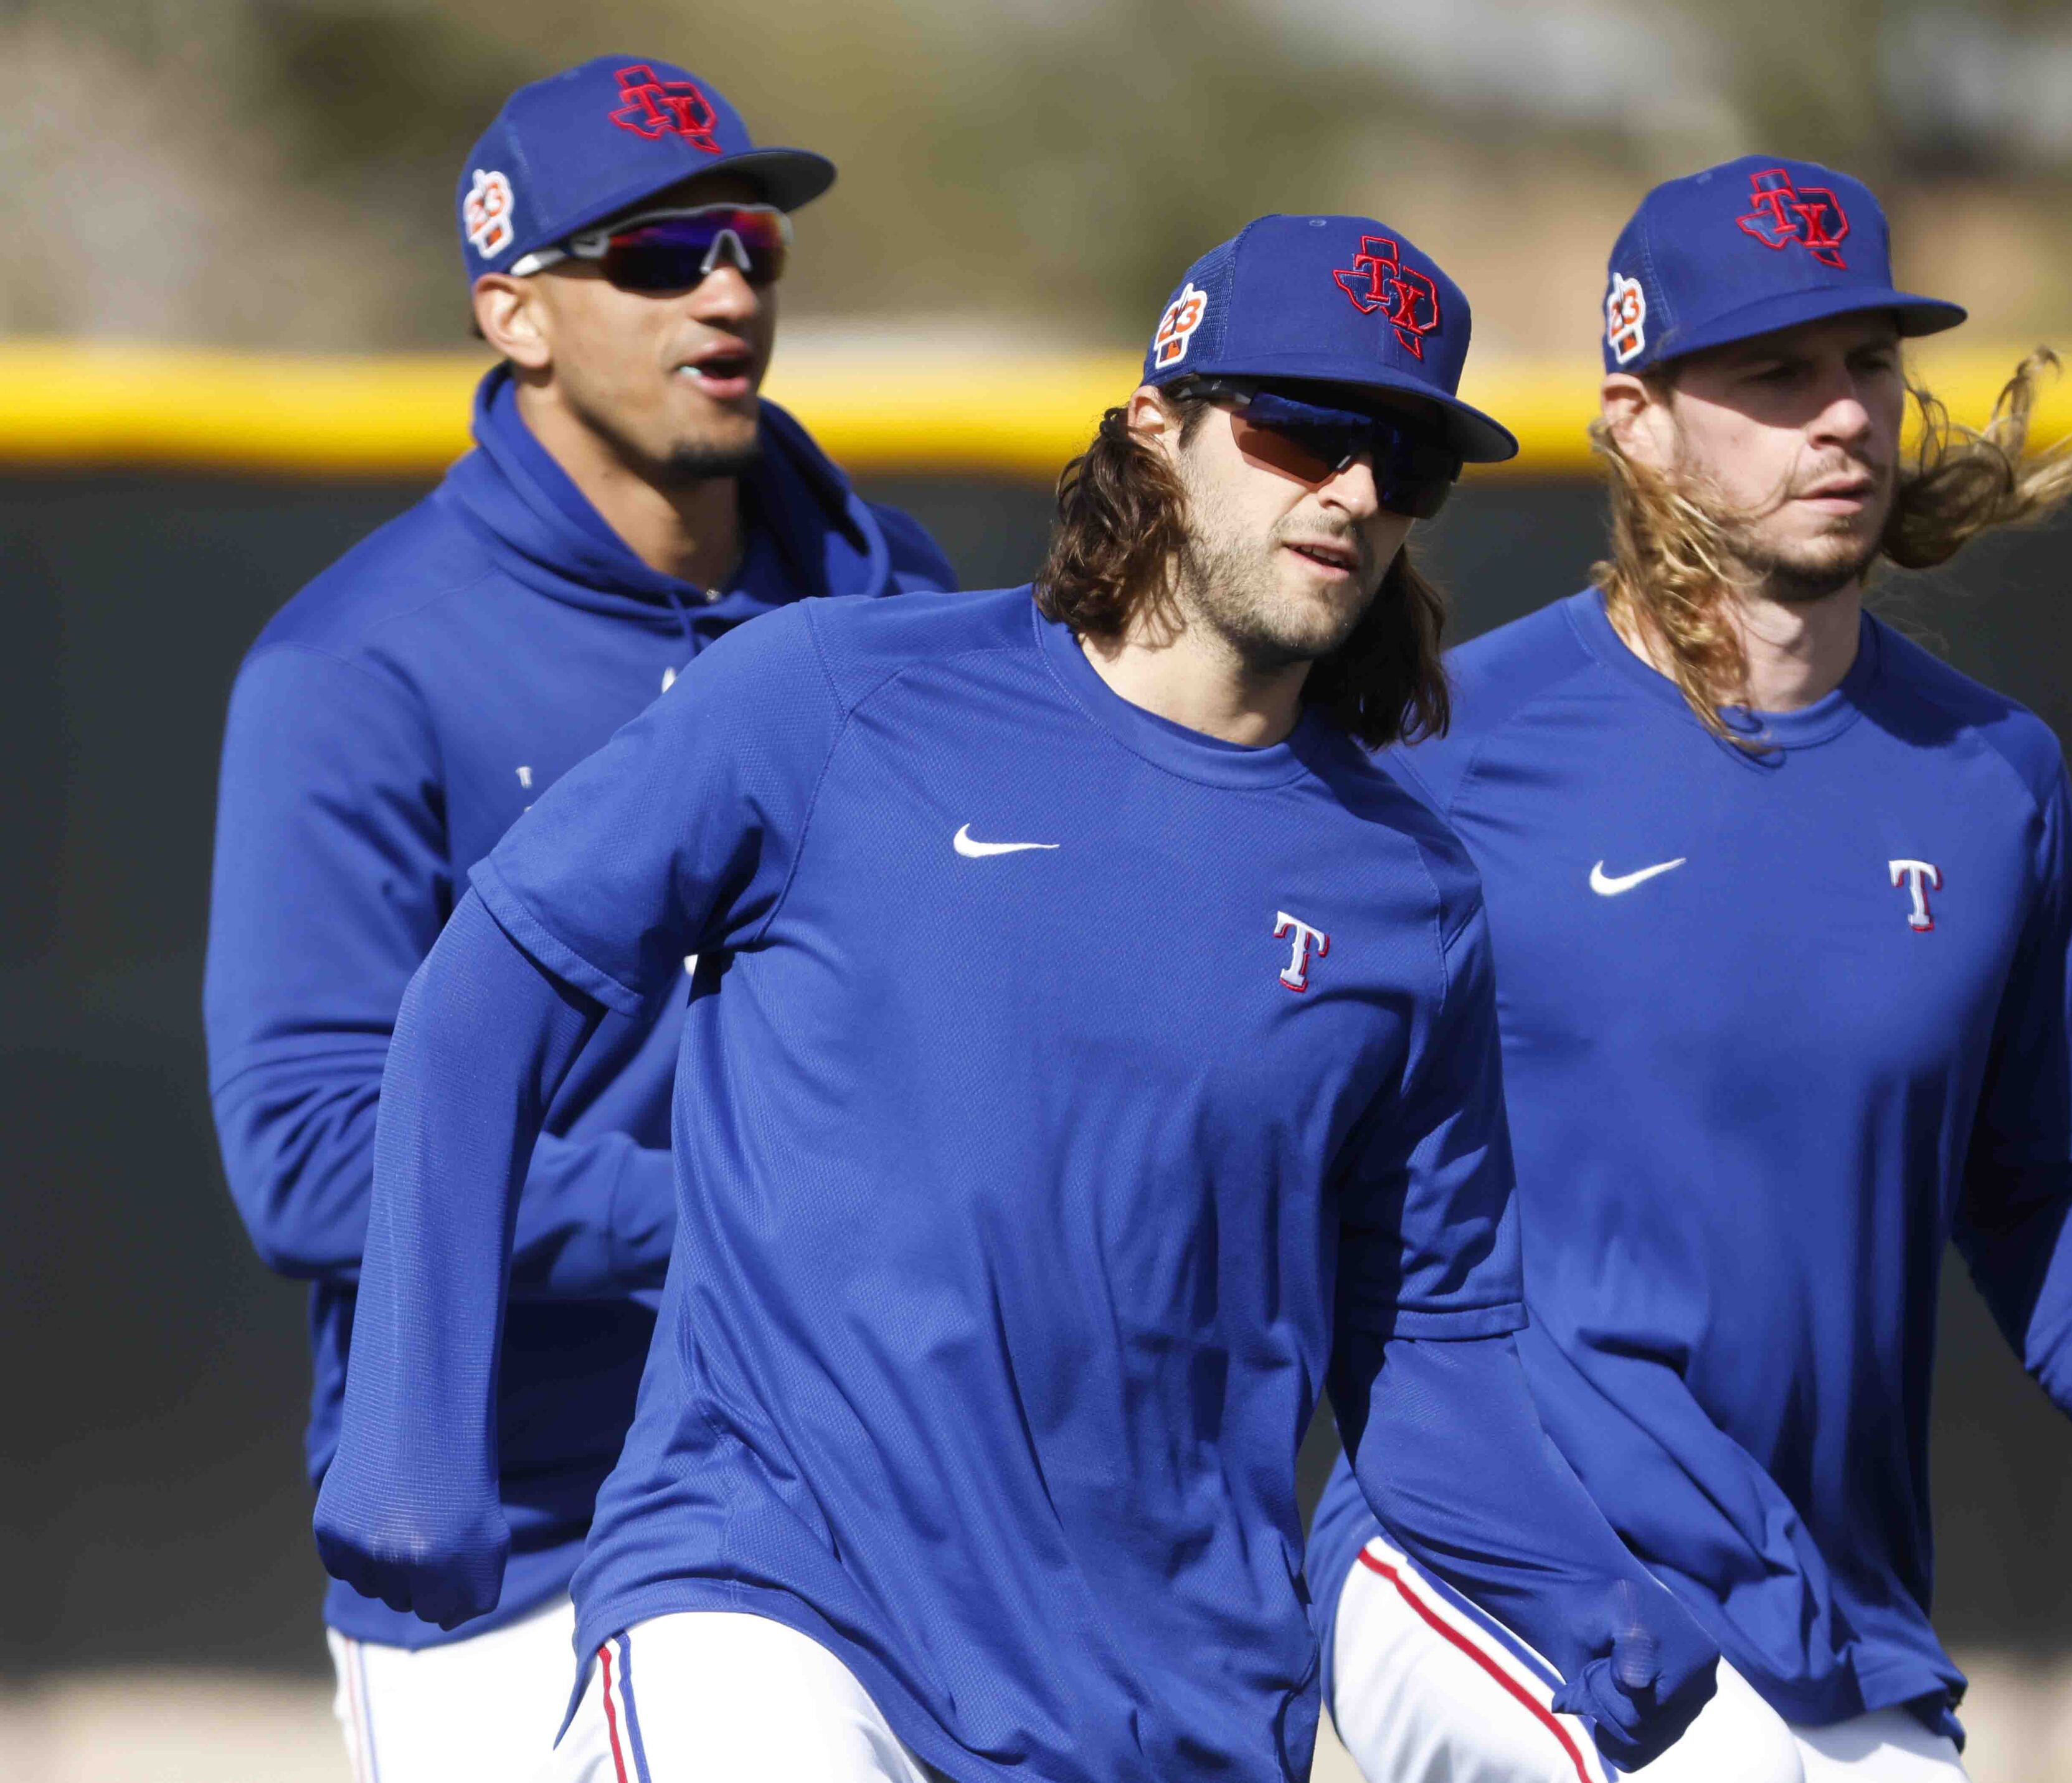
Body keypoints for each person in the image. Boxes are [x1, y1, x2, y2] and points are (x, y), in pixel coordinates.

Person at [308, 214, 1721, 1783]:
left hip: (1173, 1704)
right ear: (1154, 430)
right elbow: (485, 993)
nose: (1354, 491)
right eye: (1300, 428)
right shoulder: (832, 699)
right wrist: (413, 1419)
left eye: (1406, 458)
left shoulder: (1411, 896)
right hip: (770, 1616)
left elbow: (1425, 1351)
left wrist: (1568, 1581)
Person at [1308, 156, 2072, 1783]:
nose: (1843, 414)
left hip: (1828, 1612)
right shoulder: (1441, 753)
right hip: (1488, 1555)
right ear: (1634, 418)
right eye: (1776, 374)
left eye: (1867, 364)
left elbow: (2038, 1179)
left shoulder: (1993, 775)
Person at [203, 55, 955, 1783]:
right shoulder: (358, 667)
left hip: (872, 1494)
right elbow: (315, 1152)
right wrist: (734, 1220)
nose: (729, 289)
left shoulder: (897, 606)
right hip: (526, 1533)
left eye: (753, 244)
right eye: (659, 254)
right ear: (515, 315)